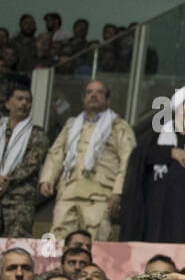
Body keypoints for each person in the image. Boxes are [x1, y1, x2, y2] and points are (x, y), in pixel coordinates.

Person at [121, 85, 185, 244]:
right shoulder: (155, 137)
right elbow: (139, 158)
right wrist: (169, 152)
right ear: (181, 109)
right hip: (156, 213)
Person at [38, 80, 136, 240]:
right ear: (83, 98)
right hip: (68, 193)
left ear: (108, 100)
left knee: (96, 245)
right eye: (90, 92)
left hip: (101, 196)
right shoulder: (71, 125)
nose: (94, 95)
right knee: (60, 242)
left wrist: (118, 193)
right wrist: (47, 179)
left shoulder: (119, 126)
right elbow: (56, 154)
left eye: (99, 92)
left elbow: (129, 161)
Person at [0, 84, 49, 239]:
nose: (24, 103)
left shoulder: (37, 133)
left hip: (19, 201)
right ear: (8, 103)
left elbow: (31, 164)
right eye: (19, 99)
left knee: (15, 246)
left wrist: (4, 181)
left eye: (28, 100)